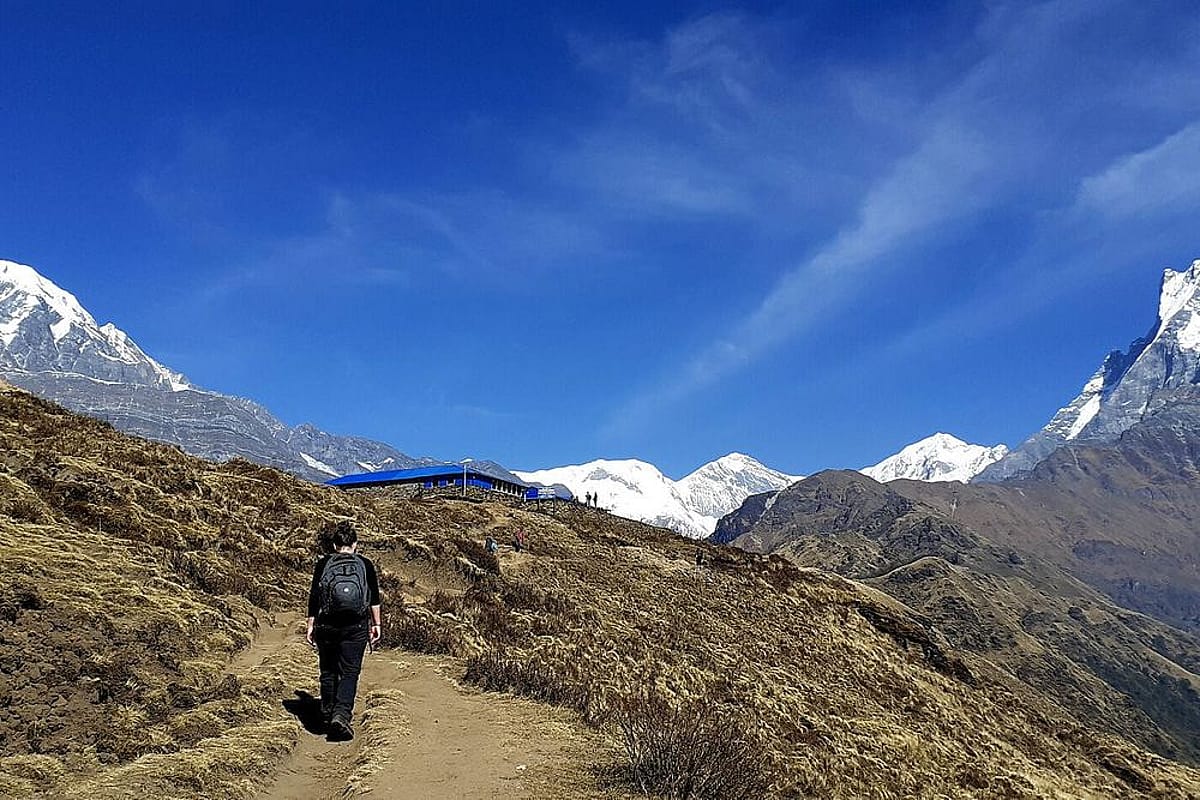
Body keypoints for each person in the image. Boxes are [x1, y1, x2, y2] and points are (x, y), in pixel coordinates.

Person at [305, 521, 382, 740]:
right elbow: (374, 598)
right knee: (350, 670)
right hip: (355, 625)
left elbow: (314, 596)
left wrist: (311, 624)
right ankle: (341, 713)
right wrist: (376, 625)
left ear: (334, 544)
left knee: (328, 668)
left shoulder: (323, 564)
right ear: (355, 544)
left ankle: (328, 711)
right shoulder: (365, 564)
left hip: (327, 624)